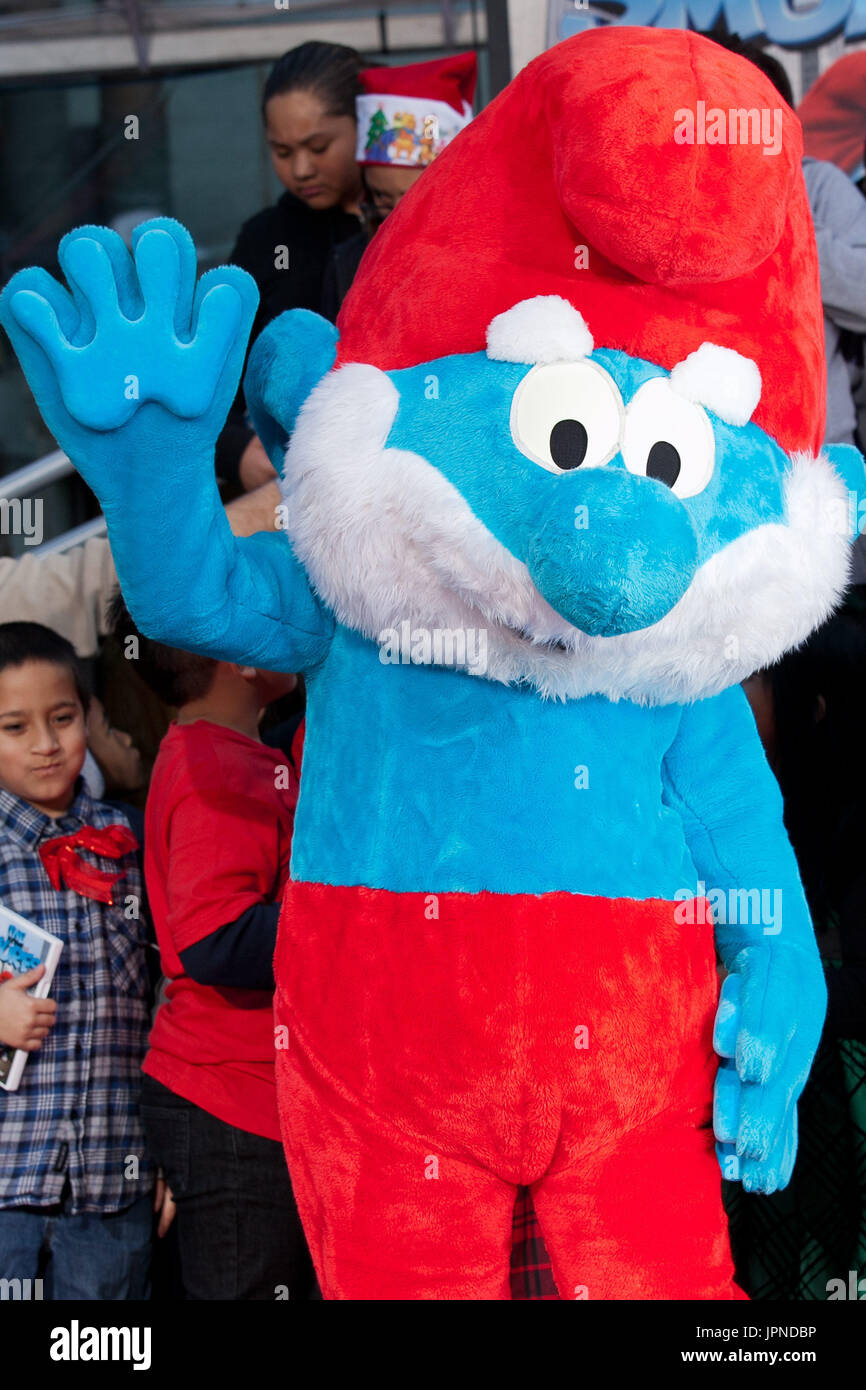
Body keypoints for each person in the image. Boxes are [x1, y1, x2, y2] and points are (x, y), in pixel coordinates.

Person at [107, 593, 316, 1300]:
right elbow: (214, 937)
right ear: (239, 655)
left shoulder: (233, 751)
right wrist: (352, 930)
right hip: (231, 1104)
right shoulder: (213, 769)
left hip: (257, 1100)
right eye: (278, 613)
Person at [0, 621, 157, 1298]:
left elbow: (166, 996)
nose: (45, 744)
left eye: (62, 718)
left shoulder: (128, 841)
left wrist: (170, 1161)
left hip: (111, 1183)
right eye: (14, 727)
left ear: (89, 716)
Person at [218, 41, 365, 492]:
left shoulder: (407, 225)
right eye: (281, 152)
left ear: (365, 123)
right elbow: (213, 381)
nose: (301, 169)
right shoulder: (262, 241)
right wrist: (236, 450)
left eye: (318, 147)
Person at [320, 53, 478, 321]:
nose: (396, 216)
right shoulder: (348, 265)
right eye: (381, 196)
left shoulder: (486, 256)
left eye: (412, 197)